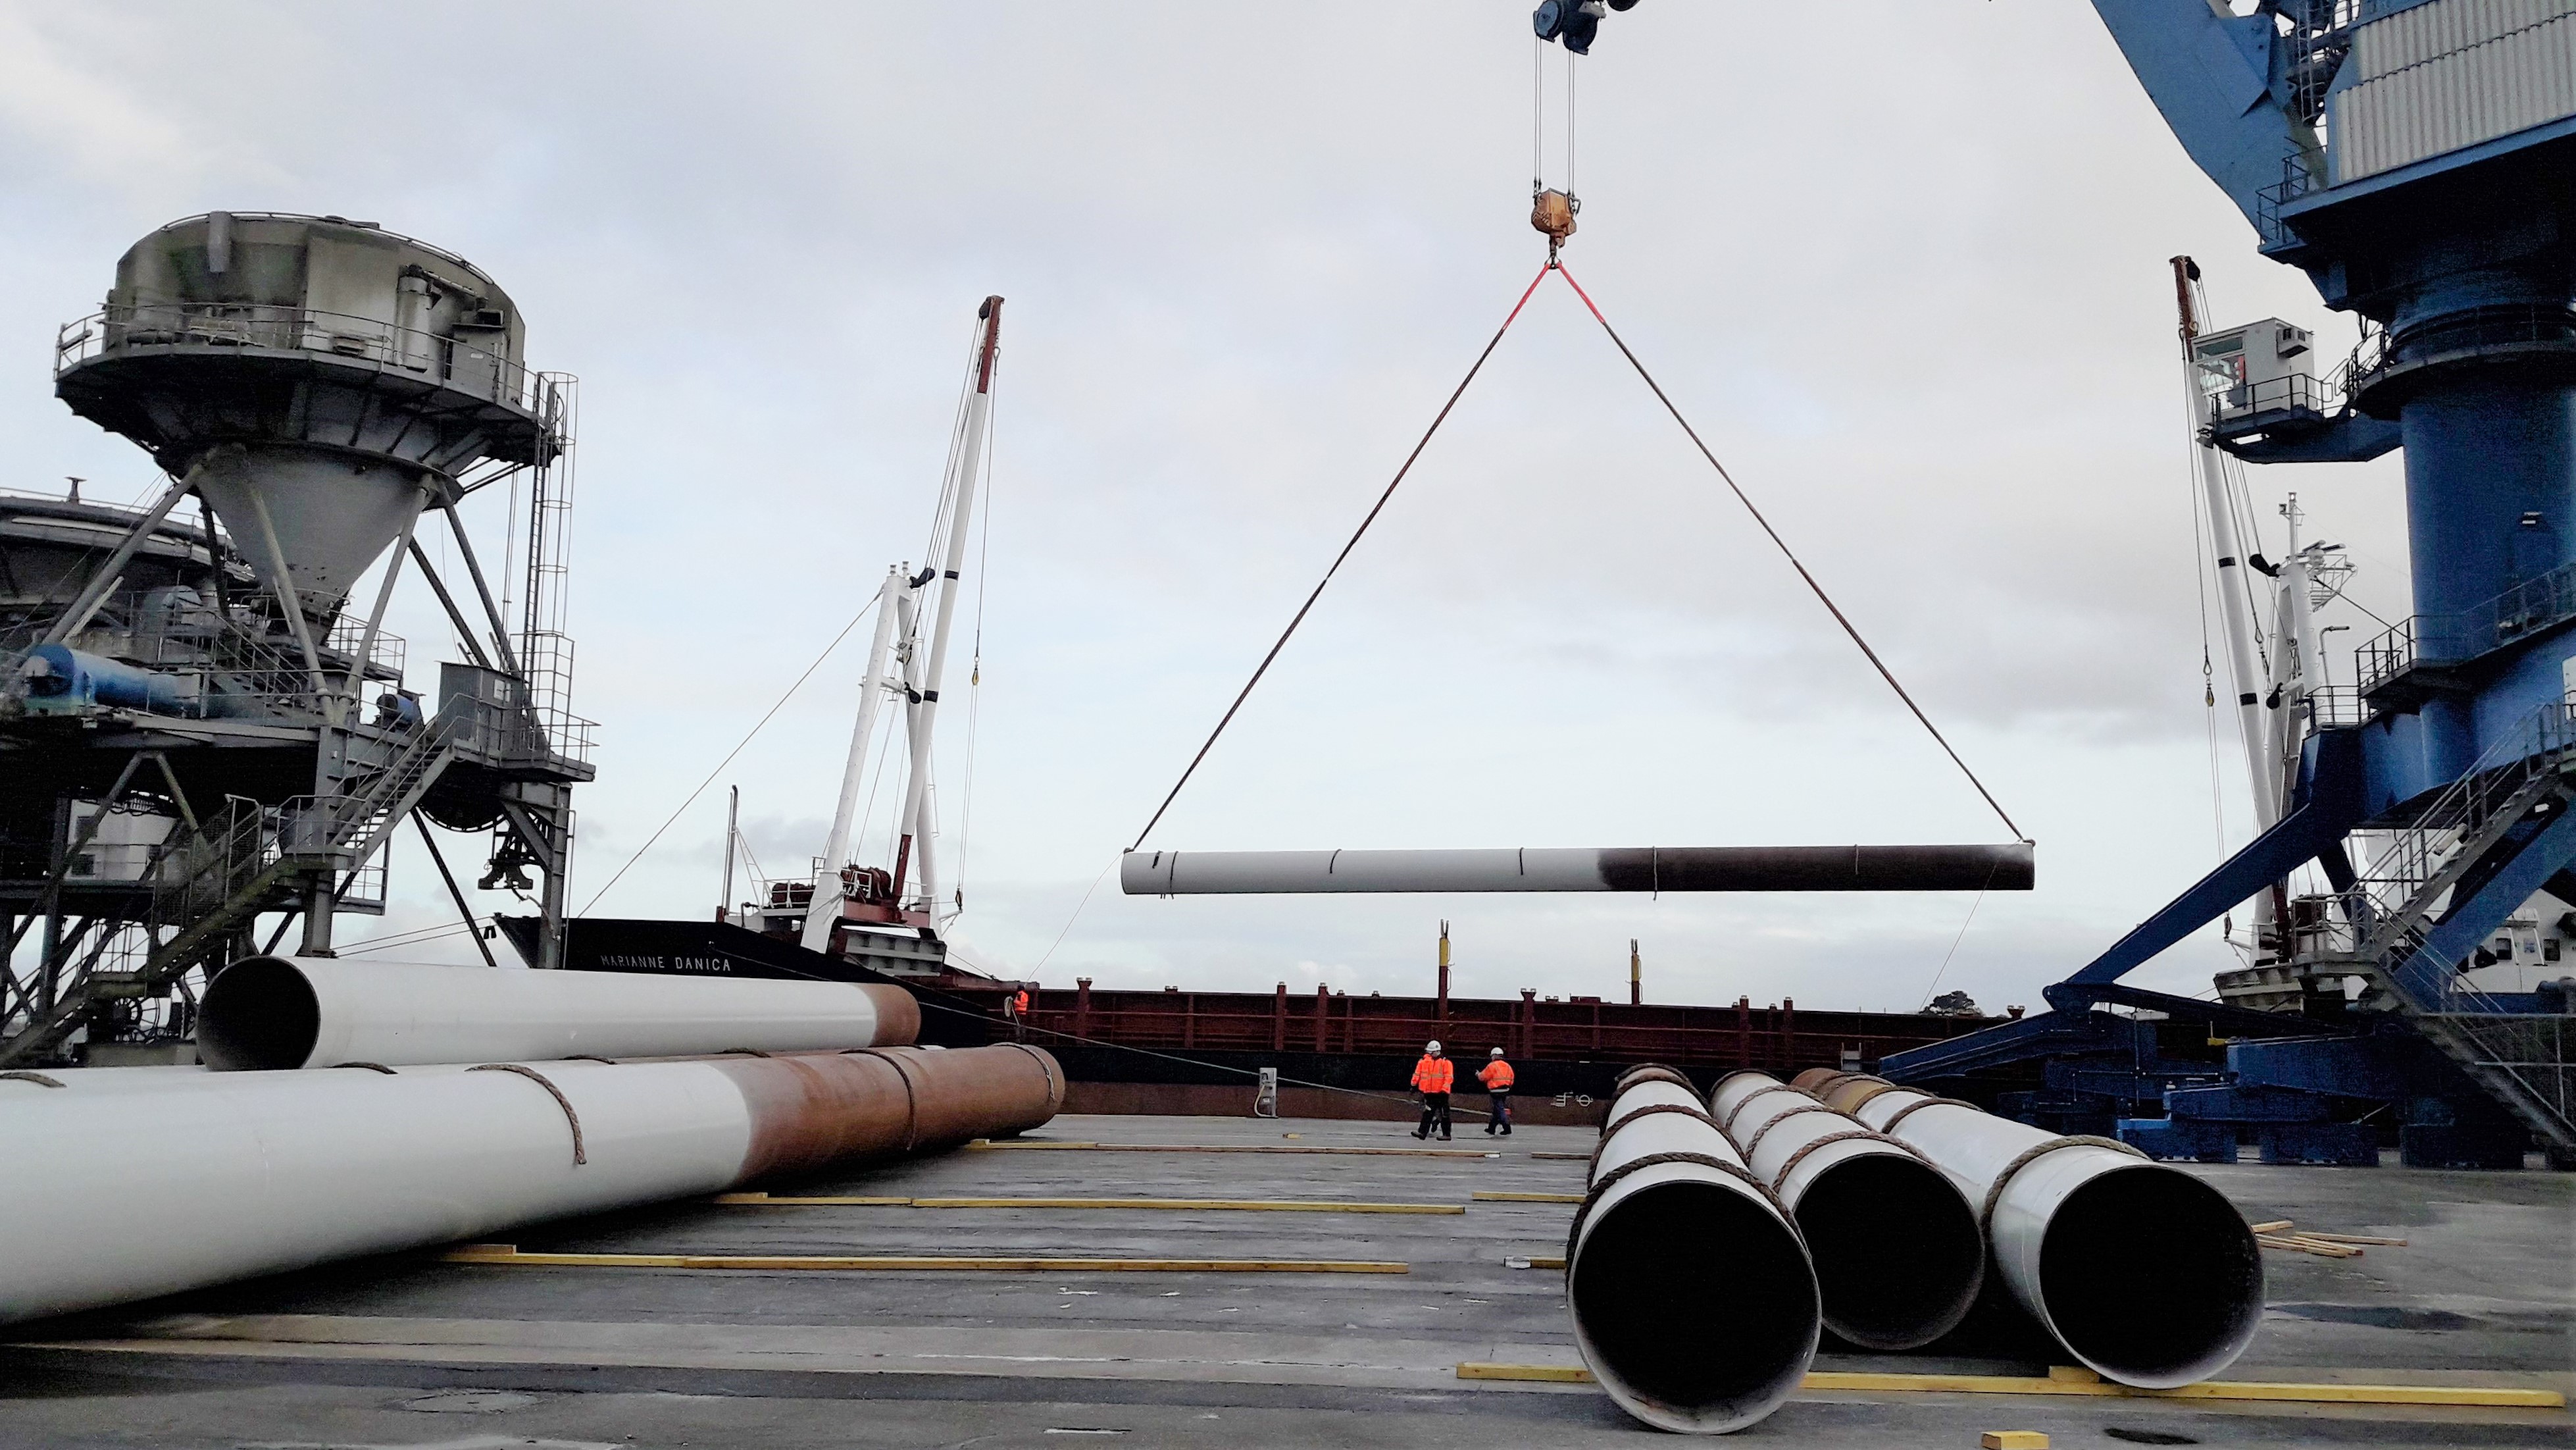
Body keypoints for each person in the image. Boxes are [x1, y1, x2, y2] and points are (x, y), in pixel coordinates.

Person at [1409, 1039, 1453, 1141]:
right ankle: (1422, 1132)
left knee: (1444, 1115)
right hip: (1430, 1093)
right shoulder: (1430, 1063)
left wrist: (1444, 1090)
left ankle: (1447, 1134)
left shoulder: (1446, 1063)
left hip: (1441, 1093)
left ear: (1437, 1051)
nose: (1430, 1054)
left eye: (1431, 1052)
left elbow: (1449, 1078)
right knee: (1428, 1113)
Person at [1477, 1047, 1515, 1135]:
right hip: (1505, 1090)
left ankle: (1507, 1127)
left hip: (1495, 1090)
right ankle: (1491, 1128)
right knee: (1497, 1110)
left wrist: (1478, 1074)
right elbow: (1512, 1077)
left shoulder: (1492, 1066)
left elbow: (1483, 1077)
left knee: (1499, 1109)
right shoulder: (1507, 1066)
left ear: (1494, 1056)